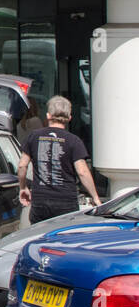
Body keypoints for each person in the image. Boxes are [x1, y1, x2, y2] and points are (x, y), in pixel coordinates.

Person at [18, 95, 101, 224]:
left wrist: (23, 187)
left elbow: (22, 166)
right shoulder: (74, 141)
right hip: (66, 202)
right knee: (64, 239)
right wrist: (95, 197)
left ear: (48, 115)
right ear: (69, 118)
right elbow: (82, 172)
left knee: (39, 237)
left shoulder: (34, 136)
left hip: (41, 201)